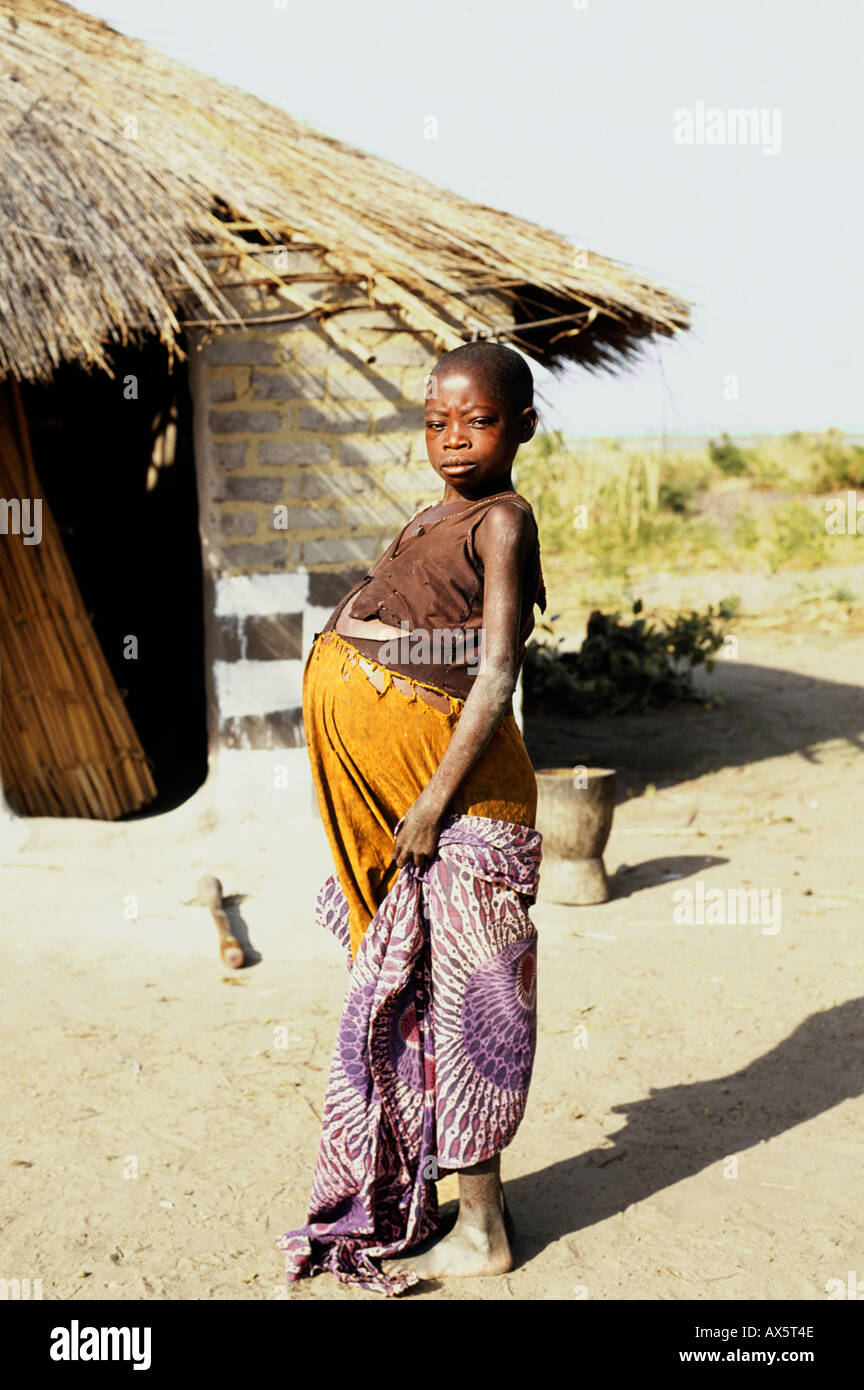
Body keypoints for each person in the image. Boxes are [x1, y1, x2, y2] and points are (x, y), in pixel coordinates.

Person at [275, 340, 547, 1295]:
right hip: (408, 796)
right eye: (437, 422)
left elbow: (499, 671)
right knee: (410, 991)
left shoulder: (504, 520)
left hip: (463, 801)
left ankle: (483, 1232)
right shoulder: (437, 512)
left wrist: (431, 800)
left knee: (471, 1002)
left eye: (477, 420)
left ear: (523, 425)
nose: (455, 439)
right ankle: (421, 1193)